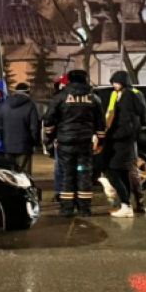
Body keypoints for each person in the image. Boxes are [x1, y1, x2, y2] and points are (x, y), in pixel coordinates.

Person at [43, 68, 106, 217]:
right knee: (84, 174)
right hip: (85, 144)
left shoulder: (60, 97)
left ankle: (67, 209)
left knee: (67, 174)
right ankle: (84, 209)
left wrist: (50, 139)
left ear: (69, 80)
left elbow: (48, 120)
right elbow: (101, 124)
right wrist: (101, 142)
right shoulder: (93, 98)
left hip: (65, 144)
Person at [102, 70, 146, 217]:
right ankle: (129, 204)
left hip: (123, 140)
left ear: (121, 82)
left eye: (115, 82)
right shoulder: (126, 94)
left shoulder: (128, 95)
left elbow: (124, 120)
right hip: (127, 139)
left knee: (118, 171)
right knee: (126, 171)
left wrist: (111, 135)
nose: (113, 85)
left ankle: (127, 205)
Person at [0, 82, 41, 173]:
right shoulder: (30, 105)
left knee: (10, 174)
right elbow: (34, 128)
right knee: (24, 176)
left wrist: (3, 140)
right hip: (24, 146)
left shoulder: (4, 105)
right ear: (27, 92)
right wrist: (36, 143)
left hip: (7, 146)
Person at [45, 74, 68, 203]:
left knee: (60, 167)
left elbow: (49, 119)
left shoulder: (58, 99)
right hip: (77, 139)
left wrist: (50, 137)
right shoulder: (85, 97)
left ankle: (60, 193)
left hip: (61, 138)